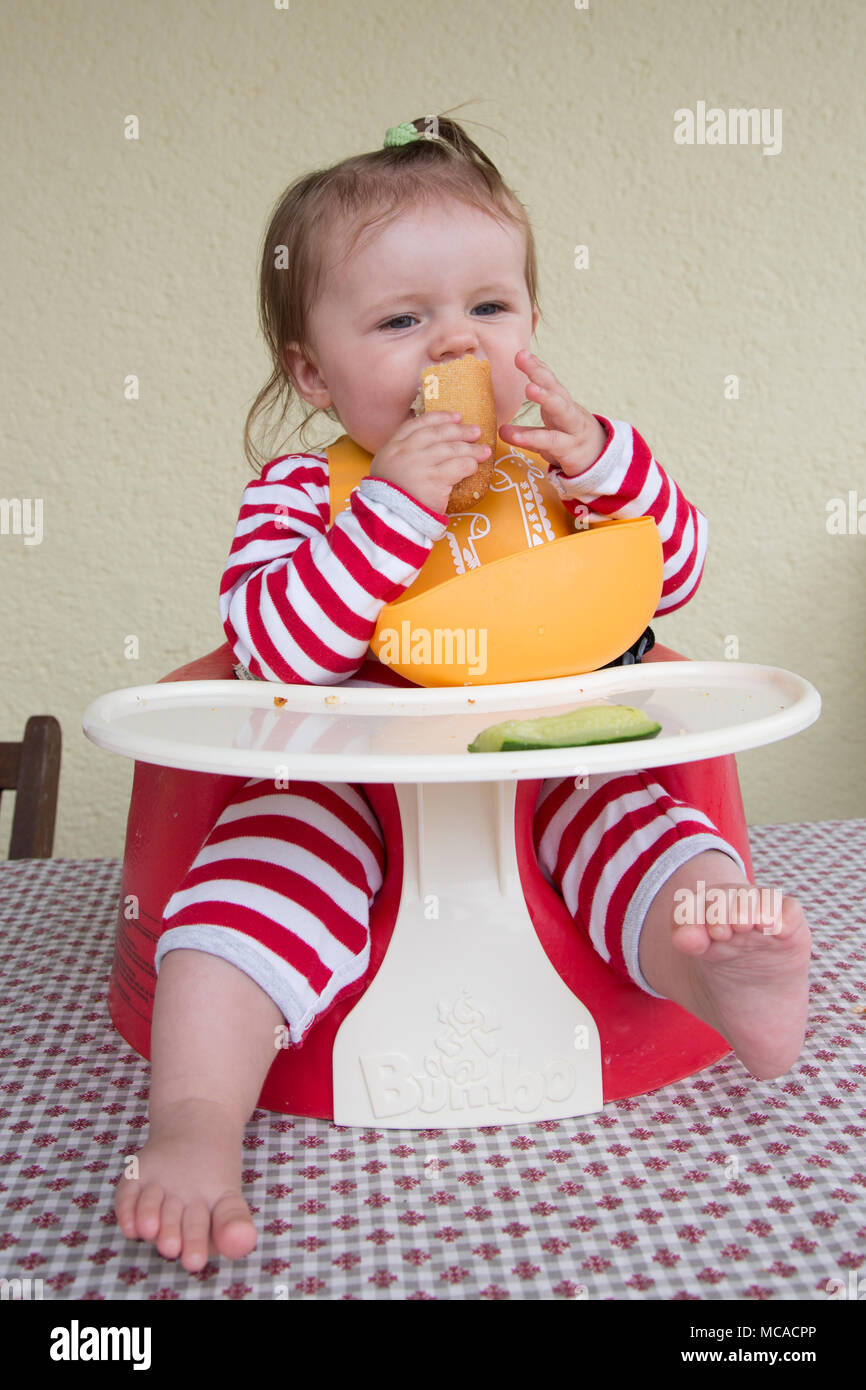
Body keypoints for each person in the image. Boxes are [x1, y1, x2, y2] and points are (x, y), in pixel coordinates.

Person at [114, 113, 811, 1273]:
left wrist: (605, 464)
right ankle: (194, 1123)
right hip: (340, 787)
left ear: (530, 324)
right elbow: (271, 646)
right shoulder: (302, 493)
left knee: (645, 829)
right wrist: (389, 511)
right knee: (240, 893)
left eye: (488, 310)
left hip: (550, 760)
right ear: (312, 370)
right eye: (400, 321)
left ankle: (710, 963)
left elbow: (670, 576)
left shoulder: (555, 470)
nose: (456, 346)